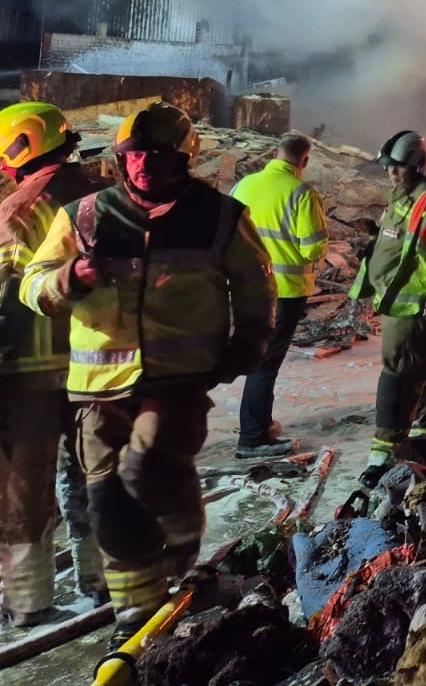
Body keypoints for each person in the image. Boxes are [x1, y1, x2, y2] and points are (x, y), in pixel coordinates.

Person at [21, 101, 272, 637]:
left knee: (147, 464)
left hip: (179, 379)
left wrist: (248, 343)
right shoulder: (84, 215)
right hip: (98, 387)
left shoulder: (220, 215)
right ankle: (137, 614)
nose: (142, 165)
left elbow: (256, 284)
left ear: (183, 159)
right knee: (107, 502)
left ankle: (181, 543)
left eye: (156, 155)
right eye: (132, 155)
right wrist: (68, 278)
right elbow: (31, 283)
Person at [0, 103, 106, 626]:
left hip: (28, 374)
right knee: (95, 475)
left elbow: (4, 290)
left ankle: (28, 603)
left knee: (24, 492)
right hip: (101, 367)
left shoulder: (18, 210)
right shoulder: (107, 195)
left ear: (18, 146)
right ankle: (105, 584)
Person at [350, 130, 426, 487]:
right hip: (397, 302)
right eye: (389, 167)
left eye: (399, 168)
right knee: (418, 365)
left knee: (398, 375)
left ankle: (383, 455)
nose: (392, 174)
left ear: (416, 164)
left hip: (413, 308)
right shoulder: (401, 198)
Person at [230, 132, 327, 460]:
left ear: (275, 152)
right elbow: (311, 246)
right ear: (305, 161)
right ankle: (253, 438)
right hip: (283, 292)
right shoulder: (301, 193)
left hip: (244, 289)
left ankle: (259, 423)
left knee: (256, 359)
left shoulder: (243, 186)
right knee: (265, 364)